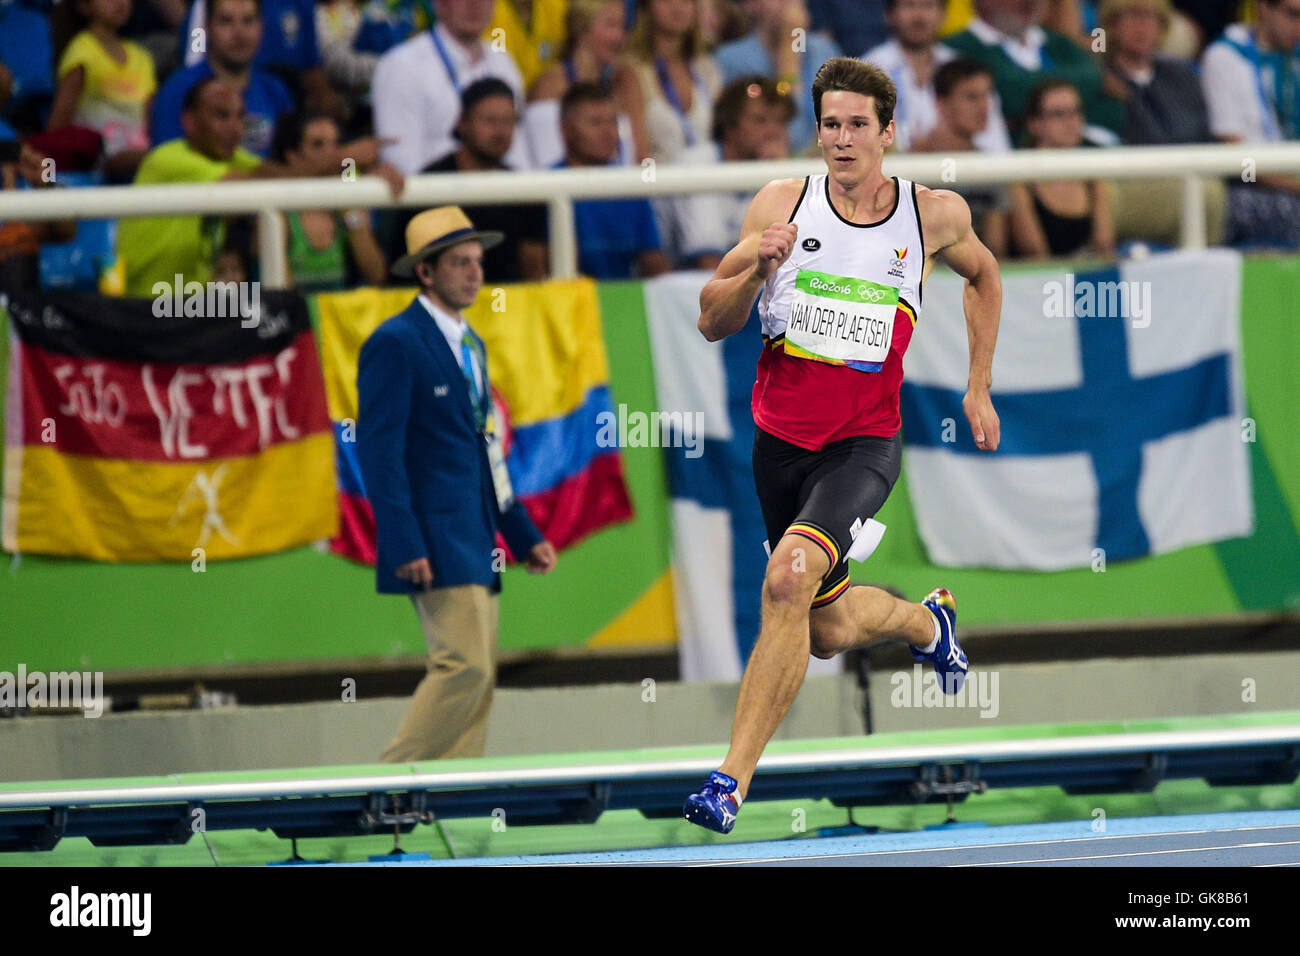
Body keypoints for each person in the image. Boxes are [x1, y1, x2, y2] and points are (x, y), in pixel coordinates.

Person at [683, 56, 1001, 833]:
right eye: (830, 123)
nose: (843, 138)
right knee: (821, 629)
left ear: (889, 132)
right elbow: (710, 317)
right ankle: (929, 626)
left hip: (863, 445)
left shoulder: (933, 217)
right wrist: (759, 270)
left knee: (788, 579)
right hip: (778, 448)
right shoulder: (780, 203)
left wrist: (978, 384)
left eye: (859, 124)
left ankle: (730, 781)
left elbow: (984, 276)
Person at [357, 205, 558, 762]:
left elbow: (485, 448)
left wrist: (521, 533)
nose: (475, 273)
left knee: (480, 677)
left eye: (477, 262)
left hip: (475, 536)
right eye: (459, 263)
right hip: (434, 536)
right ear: (425, 272)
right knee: (462, 667)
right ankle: (386, 791)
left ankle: (450, 803)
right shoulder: (396, 342)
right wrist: (403, 542)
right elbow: (379, 453)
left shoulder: (470, 344)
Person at [118, 77, 401, 295]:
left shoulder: (232, 155)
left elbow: (285, 173)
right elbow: (265, 183)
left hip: (193, 305)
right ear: (190, 122)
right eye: (221, 116)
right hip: (148, 304)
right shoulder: (168, 159)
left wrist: (368, 173)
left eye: (240, 116)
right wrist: (345, 156)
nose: (235, 127)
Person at [389, 78, 549, 283]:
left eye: (508, 121)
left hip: (506, 308)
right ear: (462, 123)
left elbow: (533, 275)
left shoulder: (523, 190)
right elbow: (404, 272)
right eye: (490, 121)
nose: (500, 131)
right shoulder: (429, 185)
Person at [371, 0, 529, 173]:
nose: (474, 5)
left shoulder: (503, 61)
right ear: (439, 4)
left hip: (505, 193)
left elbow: (519, 152)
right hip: (437, 194)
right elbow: (401, 164)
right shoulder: (401, 66)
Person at [660, 75, 793, 270]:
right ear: (729, 125)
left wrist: (780, 175)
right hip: (680, 284)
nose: (773, 132)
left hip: (744, 282)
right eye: (760, 120)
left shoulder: (779, 171)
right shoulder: (698, 166)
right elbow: (708, 263)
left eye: (780, 122)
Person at [943, 0, 1124, 141]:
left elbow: (1105, 95)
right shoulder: (957, 49)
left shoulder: (1058, 42)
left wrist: (1023, 102)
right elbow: (1011, 93)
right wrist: (1084, 85)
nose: (1029, 1)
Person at [1201, 0, 1300, 248]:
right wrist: (1292, 185)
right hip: (1250, 186)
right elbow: (1239, 162)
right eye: (1293, 14)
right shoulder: (1224, 56)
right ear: (1263, 8)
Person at [862, 0, 1011, 153]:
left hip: (962, 170)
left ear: (943, 15)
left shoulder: (963, 69)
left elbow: (995, 143)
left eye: (928, 6)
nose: (919, 16)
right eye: (909, 5)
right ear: (889, 15)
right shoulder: (869, 71)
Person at [150, 0, 295, 156]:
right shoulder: (177, 90)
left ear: (261, 26)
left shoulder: (275, 90)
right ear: (207, 28)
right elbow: (167, 161)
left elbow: (291, 160)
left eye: (248, 20)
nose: (239, 33)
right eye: (226, 21)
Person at [557, 82, 670, 278]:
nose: (608, 132)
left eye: (613, 122)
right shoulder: (546, 188)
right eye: (595, 122)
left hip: (626, 302)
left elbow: (655, 267)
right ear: (565, 130)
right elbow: (538, 276)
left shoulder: (631, 189)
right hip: (568, 304)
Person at [270, 110, 388, 291]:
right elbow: (282, 294)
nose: (334, 153)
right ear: (291, 154)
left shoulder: (348, 189)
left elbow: (376, 274)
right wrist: (347, 158)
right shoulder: (276, 210)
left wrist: (351, 212)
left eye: (337, 144)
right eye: (318, 144)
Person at [48, 0, 158, 183]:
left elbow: (150, 121)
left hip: (140, 157)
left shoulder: (142, 57)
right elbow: (57, 126)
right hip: (97, 161)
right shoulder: (81, 52)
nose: (121, 2)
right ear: (84, 6)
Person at [712, 0, 841, 154]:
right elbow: (793, 136)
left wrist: (793, 42)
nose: (790, 5)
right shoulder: (732, 59)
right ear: (751, 5)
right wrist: (789, 53)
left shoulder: (823, 51)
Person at [524, 0, 642, 169]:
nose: (620, 36)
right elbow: (547, 164)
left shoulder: (621, 82)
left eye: (622, 27)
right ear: (581, 29)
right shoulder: (550, 86)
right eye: (611, 25)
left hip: (620, 187)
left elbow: (638, 157)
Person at [912, 58, 1009, 256]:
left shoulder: (990, 167)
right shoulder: (915, 164)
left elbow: (996, 246)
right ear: (941, 103)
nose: (984, 107)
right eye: (972, 97)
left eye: (987, 96)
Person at [1007, 79, 1114, 258]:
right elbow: (1034, 254)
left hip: (1081, 279)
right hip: (1034, 280)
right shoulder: (1019, 180)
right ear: (1034, 124)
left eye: (1075, 112)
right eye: (1059, 114)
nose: (1071, 122)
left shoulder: (1092, 176)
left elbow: (1104, 247)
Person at [621, 0, 723, 162]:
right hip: (658, 183)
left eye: (686, 1)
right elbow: (638, 156)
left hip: (710, 182)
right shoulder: (632, 72)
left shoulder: (707, 68)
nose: (677, 7)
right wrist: (651, 184)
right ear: (647, 7)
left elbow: (724, 139)